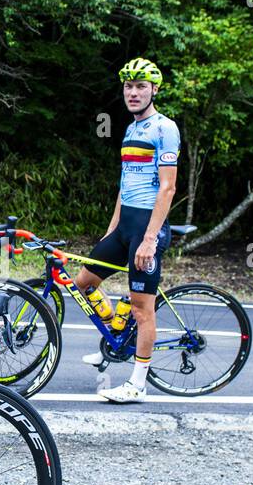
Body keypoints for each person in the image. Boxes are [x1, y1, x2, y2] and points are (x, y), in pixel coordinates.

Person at [76, 57, 179, 404]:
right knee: (83, 282)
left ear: (154, 90)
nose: (133, 93)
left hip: (148, 229)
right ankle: (117, 334)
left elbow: (167, 189)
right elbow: (125, 185)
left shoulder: (165, 128)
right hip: (125, 228)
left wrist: (149, 238)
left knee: (142, 309)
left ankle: (137, 383)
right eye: (129, 87)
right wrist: (111, 230)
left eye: (140, 87)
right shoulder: (131, 129)